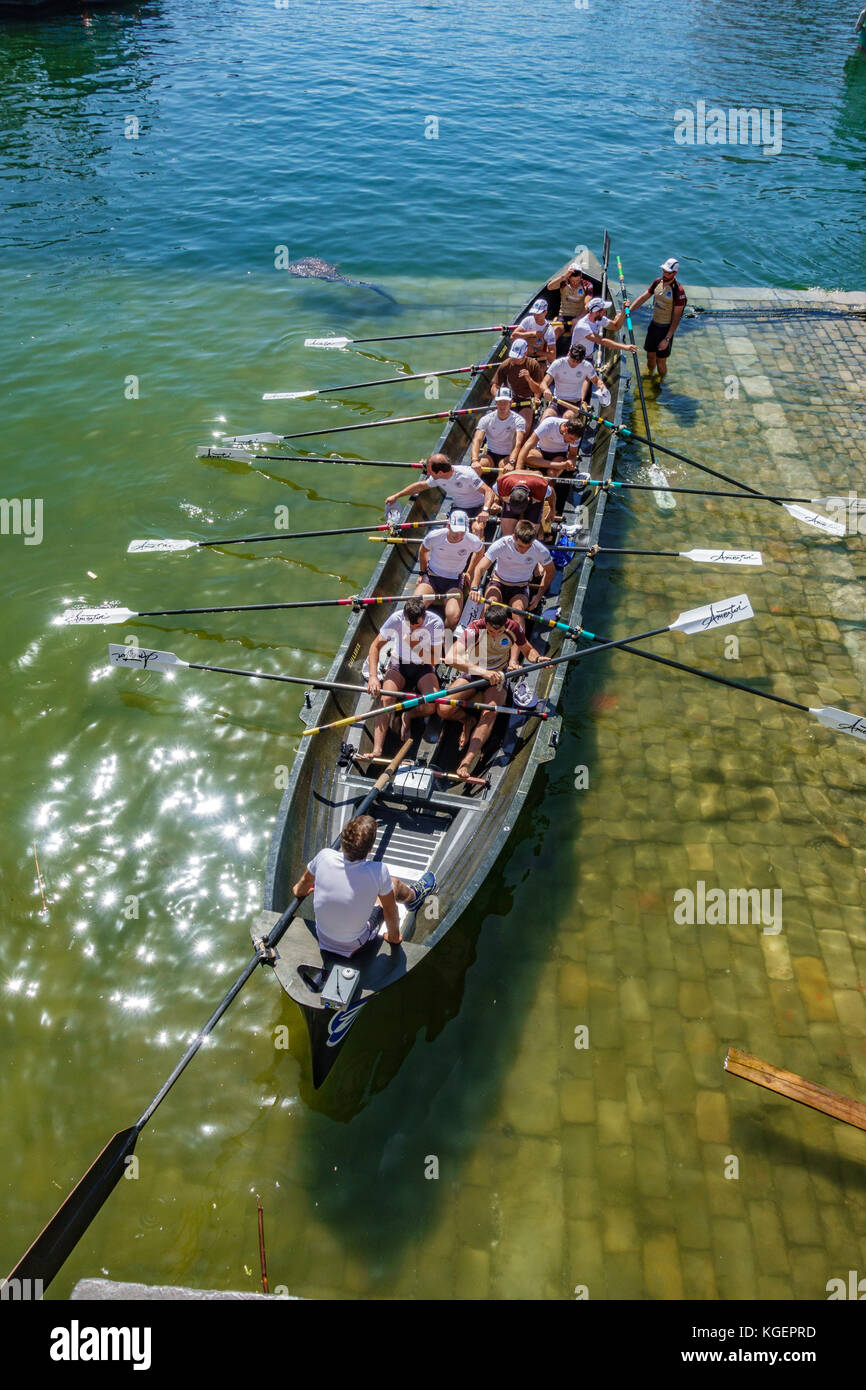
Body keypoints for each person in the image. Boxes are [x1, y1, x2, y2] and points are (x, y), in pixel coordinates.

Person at [292, 814, 435, 954]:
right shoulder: (378, 871)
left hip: (322, 937)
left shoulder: (324, 856)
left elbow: (302, 885)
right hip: (355, 944)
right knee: (394, 884)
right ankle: (413, 897)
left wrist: (299, 891)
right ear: (370, 849)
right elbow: (390, 911)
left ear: (342, 841)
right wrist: (394, 938)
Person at [436, 606, 543, 779]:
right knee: (443, 709)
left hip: (498, 677)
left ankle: (467, 761)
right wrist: (482, 672)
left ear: (505, 625)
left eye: (499, 631)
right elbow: (450, 658)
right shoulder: (474, 629)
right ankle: (467, 720)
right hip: (474, 673)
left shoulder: (513, 628)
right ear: (486, 623)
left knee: (490, 712)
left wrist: (538, 658)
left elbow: (528, 651)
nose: (495, 634)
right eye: (492, 631)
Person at [365, 595, 444, 758]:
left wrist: (415, 647)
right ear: (404, 616)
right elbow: (375, 646)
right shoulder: (396, 618)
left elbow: (435, 659)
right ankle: (377, 749)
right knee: (386, 700)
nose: (414, 630)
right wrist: (373, 676)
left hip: (424, 666)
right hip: (398, 664)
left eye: (418, 626)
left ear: (425, 616)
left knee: (431, 705)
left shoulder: (436, 623)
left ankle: (409, 714)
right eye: (411, 626)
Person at [384, 453, 495, 539]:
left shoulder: (466, 474)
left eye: (430, 471)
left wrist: (485, 510)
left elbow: (488, 491)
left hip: (479, 507)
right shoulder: (438, 477)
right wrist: (397, 496)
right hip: (459, 508)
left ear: (440, 472)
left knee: (477, 529)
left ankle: (475, 564)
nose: (428, 474)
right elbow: (420, 486)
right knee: (453, 534)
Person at [469, 519, 555, 623]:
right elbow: (480, 568)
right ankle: (482, 638)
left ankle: (519, 638)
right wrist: (474, 588)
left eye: (528, 547)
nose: (523, 551)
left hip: (520, 588)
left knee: (518, 613)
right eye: (520, 546)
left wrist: (538, 596)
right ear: (514, 537)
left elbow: (550, 572)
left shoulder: (540, 550)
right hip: (498, 583)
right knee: (489, 609)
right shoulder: (502, 544)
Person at [415, 509, 483, 629]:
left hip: (454, 581)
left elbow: (480, 552)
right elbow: (423, 551)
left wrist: (469, 571)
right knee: (415, 609)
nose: (459, 536)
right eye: (455, 531)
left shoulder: (472, 540)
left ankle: (441, 638)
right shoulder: (435, 536)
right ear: (448, 525)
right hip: (432, 577)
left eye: (462, 532)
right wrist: (421, 573)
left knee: (453, 618)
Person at [628, 257, 688, 380]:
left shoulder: (678, 290)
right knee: (650, 356)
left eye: (668, 272)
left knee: (661, 361)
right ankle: (649, 377)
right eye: (663, 271)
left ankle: (661, 382)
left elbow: (677, 318)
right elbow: (643, 298)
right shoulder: (657, 282)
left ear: (675, 273)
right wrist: (627, 311)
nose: (664, 274)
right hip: (654, 325)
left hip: (666, 329)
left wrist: (667, 338)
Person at [490, 339, 546, 431]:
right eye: (513, 356)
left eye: (518, 357)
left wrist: (529, 379)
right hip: (510, 398)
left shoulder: (533, 365)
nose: (515, 359)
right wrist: (501, 399)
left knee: (524, 426)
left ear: (525, 353)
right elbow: (494, 387)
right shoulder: (505, 365)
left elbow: (538, 390)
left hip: (526, 400)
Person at [540, 342, 606, 417]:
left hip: (575, 403)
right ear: (569, 354)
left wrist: (602, 386)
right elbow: (543, 383)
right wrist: (546, 390)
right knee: (546, 416)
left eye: (578, 362)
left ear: (583, 359)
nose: (574, 364)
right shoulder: (558, 364)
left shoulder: (587, 366)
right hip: (557, 401)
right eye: (572, 360)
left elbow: (596, 381)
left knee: (566, 417)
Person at [471, 387, 527, 477]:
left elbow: (518, 443)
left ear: (511, 403)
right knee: (477, 468)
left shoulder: (519, 420)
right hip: (490, 454)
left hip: (508, 455)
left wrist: (511, 462)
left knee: (503, 469)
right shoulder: (486, 419)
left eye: (505, 402)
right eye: (500, 402)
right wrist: (474, 460)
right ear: (496, 403)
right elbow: (477, 440)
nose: (502, 406)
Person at [516, 413, 583, 478]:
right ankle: (557, 465)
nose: (572, 442)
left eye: (574, 440)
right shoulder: (549, 423)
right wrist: (518, 470)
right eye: (571, 438)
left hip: (559, 455)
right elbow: (528, 445)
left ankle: (550, 467)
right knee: (525, 456)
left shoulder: (576, 435)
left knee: (552, 473)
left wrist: (571, 462)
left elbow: (573, 454)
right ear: (566, 430)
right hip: (541, 452)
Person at [491, 469, 555, 537]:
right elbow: (493, 491)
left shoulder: (540, 486)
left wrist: (552, 509)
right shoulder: (503, 484)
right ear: (509, 498)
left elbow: (551, 492)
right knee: (507, 536)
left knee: (529, 537)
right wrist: (496, 502)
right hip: (512, 490)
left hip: (534, 494)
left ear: (528, 499)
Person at [570, 297, 634, 362]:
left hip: (588, 356)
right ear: (597, 312)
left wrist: (623, 311)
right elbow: (602, 341)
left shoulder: (599, 319)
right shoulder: (583, 326)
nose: (605, 314)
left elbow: (616, 326)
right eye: (604, 311)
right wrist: (625, 347)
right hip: (575, 359)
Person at [546, 264, 595, 351]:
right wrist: (564, 276)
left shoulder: (587, 285)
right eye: (572, 281)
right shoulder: (564, 282)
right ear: (569, 278)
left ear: (581, 276)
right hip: (563, 316)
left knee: (576, 332)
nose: (575, 283)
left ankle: (573, 355)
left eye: (577, 280)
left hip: (578, 317)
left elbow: (587, 306)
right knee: (554, 332)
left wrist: (578, 318)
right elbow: (550, 287)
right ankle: (549, 357)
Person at [511, 298, 556, 367]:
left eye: (538, 313)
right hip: (521, 356)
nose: (535, 316)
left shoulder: (549, 330)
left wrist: (535, 351)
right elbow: (513, 336)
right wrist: (531, 333)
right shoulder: (528, 320)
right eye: (534, 313)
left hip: (538, 360)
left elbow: (552, 356)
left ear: (545, 312)